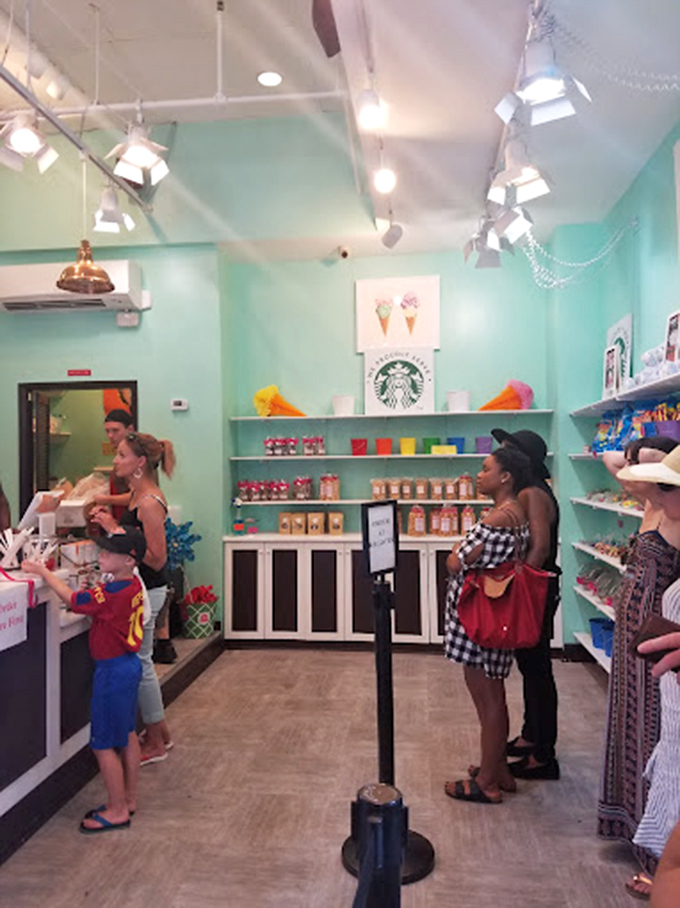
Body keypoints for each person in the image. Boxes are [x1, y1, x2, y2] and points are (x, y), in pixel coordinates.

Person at [22, 527, 147, 833]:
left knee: (103, 744)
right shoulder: (130, 587)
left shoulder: (111, 594)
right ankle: (128, 799)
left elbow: (75, 599)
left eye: (107, 552)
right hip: (128, 666)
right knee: (128, 733)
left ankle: (117, 810)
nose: (100, 555)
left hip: (111, 673)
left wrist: (44, 573)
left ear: (130, 560)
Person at [597, 436, 680, 895]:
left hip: (663, 650)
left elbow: (625, 468)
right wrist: (645, 456)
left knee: (661, 747)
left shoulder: (666, 512)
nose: (655, 489)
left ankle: (660, 855)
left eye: (667, 485)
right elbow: (618, 466)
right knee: (638, 730)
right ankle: (637, 828)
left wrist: (653, 455)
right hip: (647, 643)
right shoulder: (661, 507)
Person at [443, 446, 531, 804]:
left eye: (485, 469)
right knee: (495, 694)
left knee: (487, 698)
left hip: (479, 619)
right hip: (497, 618)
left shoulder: (495, 520)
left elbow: (455, 562)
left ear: (505, 476)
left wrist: (457, 551)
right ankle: (497, 768)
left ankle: (487, 783)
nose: (479, 475)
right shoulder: (517, 513)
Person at [91, 431, 175, 766]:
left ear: (140, 462)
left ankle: (155, 740)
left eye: (122, 455)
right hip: (144, 591)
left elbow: (156, 558)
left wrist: (114, 529)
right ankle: (161, 732)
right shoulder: (138, 494)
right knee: (142, 665)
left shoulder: (150, 503)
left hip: (149, 593)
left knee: (141, 666)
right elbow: (126, 500)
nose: (116, 461)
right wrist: (101, 504)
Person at [491, 429, 561, 780]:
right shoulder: (532, 490)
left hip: (536, 591)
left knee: (537, 672)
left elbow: (540, 546)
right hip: (539, 589)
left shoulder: (533, 493)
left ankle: (543, 755)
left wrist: (522, 586)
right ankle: (531, 735)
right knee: (531, 667)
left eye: (508, 452)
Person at [93, 409, 135, 521]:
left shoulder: (136, 458)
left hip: (134, 524)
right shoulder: (120, 459)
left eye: (116, 430)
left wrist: (106, 499)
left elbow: (137, 496)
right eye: (107, 431)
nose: (111, 435)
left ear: (130, 429)